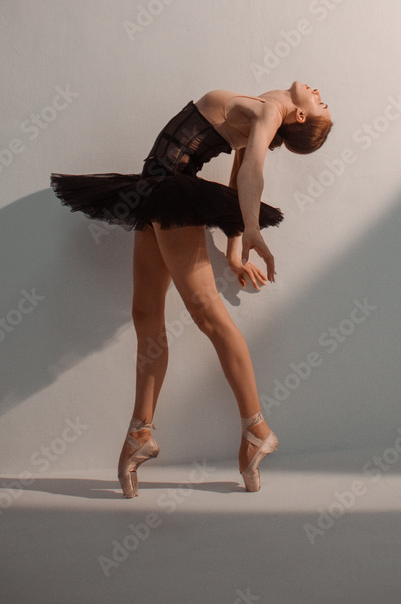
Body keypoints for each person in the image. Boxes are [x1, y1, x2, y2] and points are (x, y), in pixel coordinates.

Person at [50, 82, 333, 497]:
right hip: (155, 192)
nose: (318, 91)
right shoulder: (262, 109)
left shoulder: (270, 114)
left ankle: (256, 429)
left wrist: (252, 230)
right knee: (145, 314)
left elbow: (253, 171)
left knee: (206, 313)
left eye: (320, 102)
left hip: (170, 194)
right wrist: (235, 254)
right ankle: (140, 432)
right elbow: (237, 181)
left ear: (301, 116)